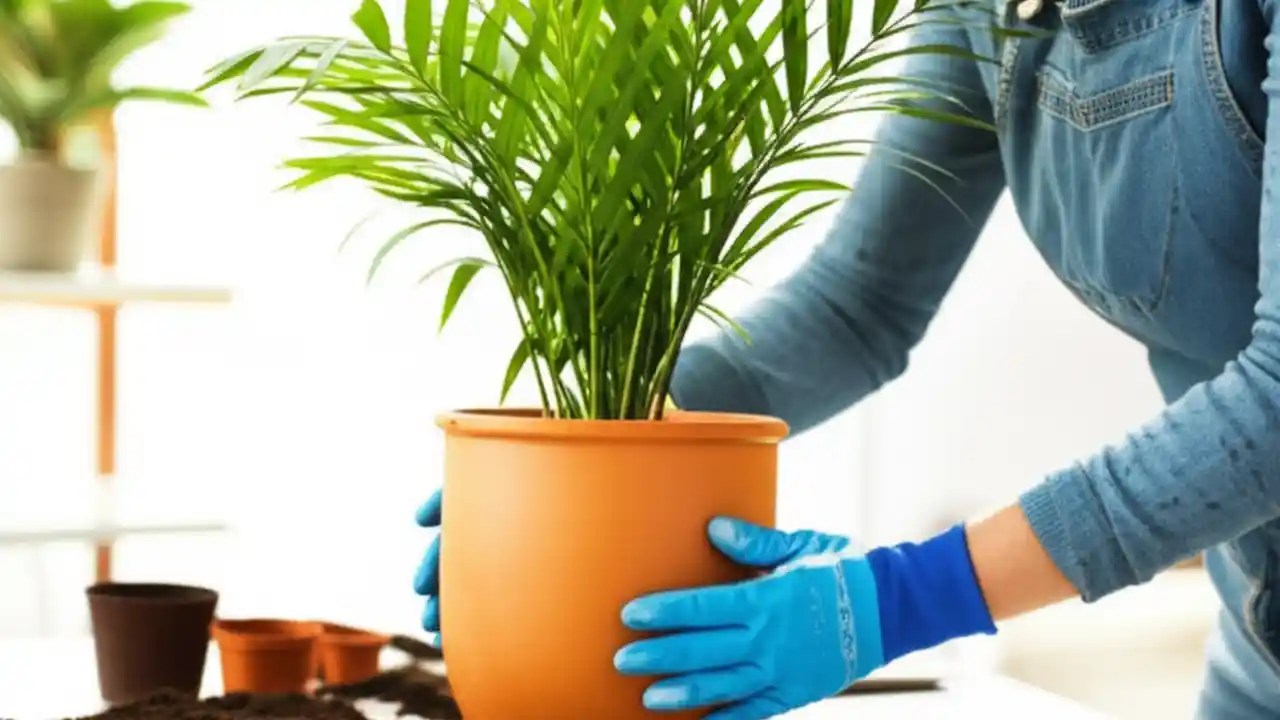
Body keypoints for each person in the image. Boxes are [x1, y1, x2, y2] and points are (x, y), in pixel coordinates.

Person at [415, 0, 1280, 717]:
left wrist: (896, 599)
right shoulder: (987, 11)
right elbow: (856, 307)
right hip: (1255, 632)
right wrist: (570, 452)